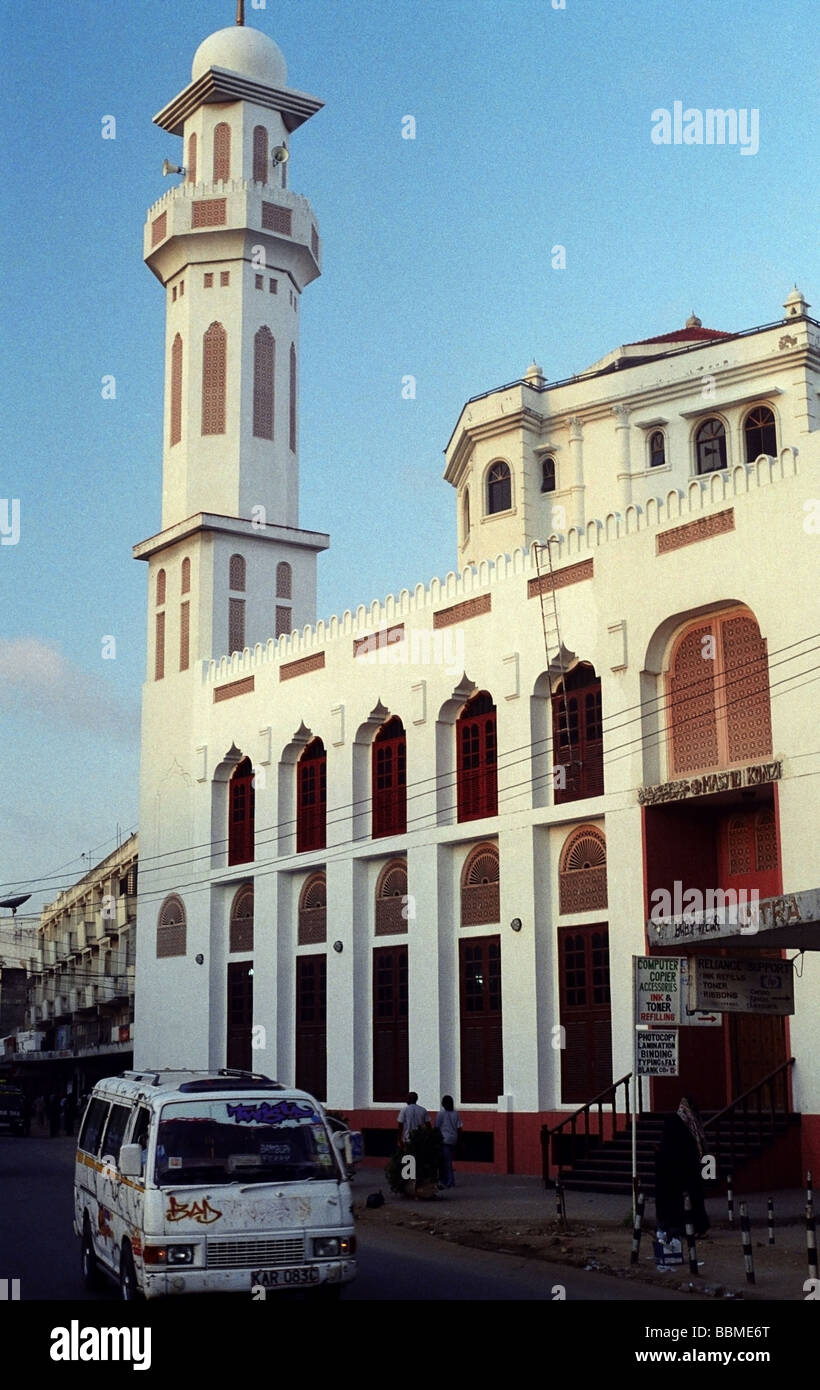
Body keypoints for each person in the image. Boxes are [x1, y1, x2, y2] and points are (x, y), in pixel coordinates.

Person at [654, 1096, 710, 1239]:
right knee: (691, 1199)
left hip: (679, 1168)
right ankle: (691, 1227)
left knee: (682, 1199)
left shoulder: (678, 1121)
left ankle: (682, 1227)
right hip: (684, 1167)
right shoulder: (690, 1123)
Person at [434, 1095, 462, 1189]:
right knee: (448, 1160)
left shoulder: (441, 1114)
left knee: (445, 1161)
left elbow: (437, 1127)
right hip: (453, 1138)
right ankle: (447, 1180)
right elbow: (459, 1127)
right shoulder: (456, 1114)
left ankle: (449, 1181)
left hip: (443, 1139)